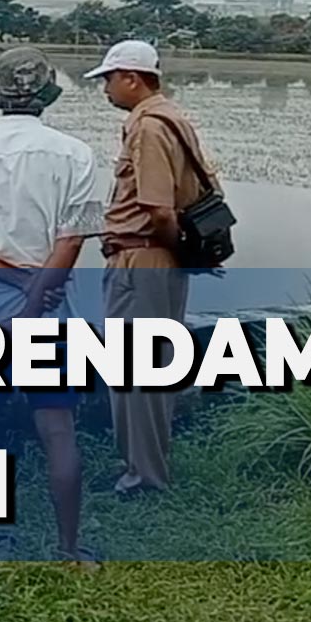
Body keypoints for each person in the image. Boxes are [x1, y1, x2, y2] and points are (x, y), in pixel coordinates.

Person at [0, 46, 103, 567]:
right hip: (49, 313)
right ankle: (68, 549)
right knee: (57, 428)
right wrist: (34, 293)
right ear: (46, 95)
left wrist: (14, 280)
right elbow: (71, 242)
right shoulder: (75, 155)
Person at [84, 39, 220, 496]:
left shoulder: (147, 127)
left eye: (108, 79)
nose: (105, 88)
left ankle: (143, 478)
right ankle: (147, 465)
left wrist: (167, 248)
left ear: (131, 78)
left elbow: (159, 209)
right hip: (162, 259)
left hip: (141, 258)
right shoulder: (173, 117)